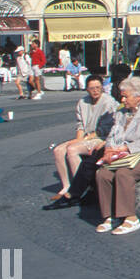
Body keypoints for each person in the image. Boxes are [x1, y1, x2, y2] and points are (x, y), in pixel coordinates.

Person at [94, 77, 140, 236]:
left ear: (138, 96)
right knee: (103, 174)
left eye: (125, 96)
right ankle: (110, 216)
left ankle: (131, 217)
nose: (122, 99)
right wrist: (109, 149)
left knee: (123, 173)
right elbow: (113, 135)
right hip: (124, 155)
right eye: (122, 96)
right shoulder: (121, 112)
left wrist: (126, 148)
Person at [45, 75, 118, 209]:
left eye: (98, 87)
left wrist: (82, 141)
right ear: (87, 89)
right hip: (86, 136)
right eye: (92, 88)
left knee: (72, 149)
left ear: (102, 87)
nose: (95, 91)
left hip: (101, 137)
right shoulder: (82, 102)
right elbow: (80, 125)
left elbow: (106, 128)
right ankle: (67, 186)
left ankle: (81, 188)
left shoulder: (108, 102)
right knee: (58, 150)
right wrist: (79, 139)